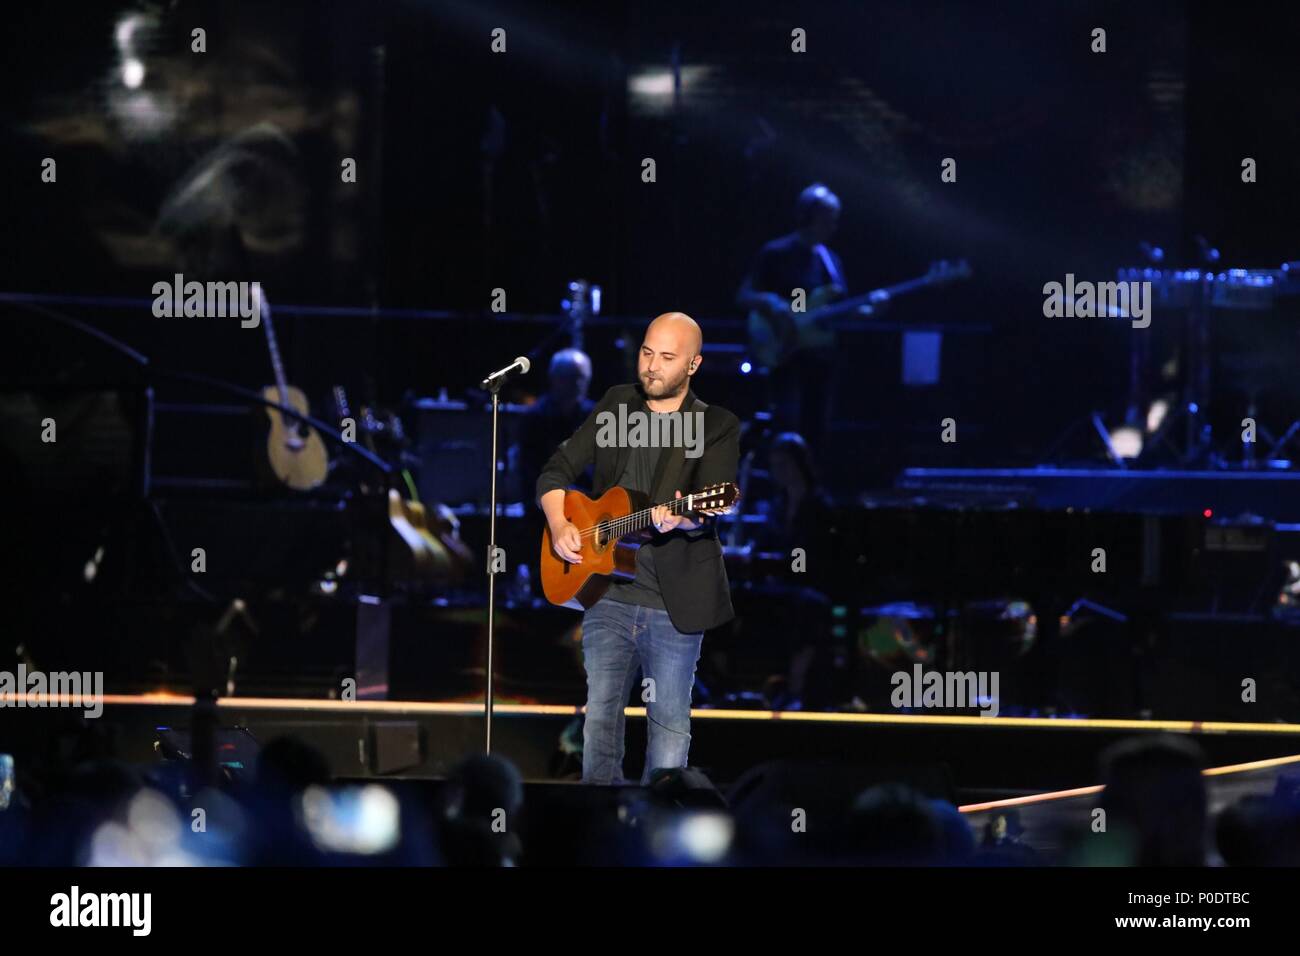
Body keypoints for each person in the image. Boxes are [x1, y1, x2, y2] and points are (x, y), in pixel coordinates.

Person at [536, 313, 740, 785]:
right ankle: (600, 835)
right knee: (599, 723)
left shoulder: (716, 425)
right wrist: (560, 521)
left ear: (693, 365)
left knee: (669, 732)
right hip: (606, 593)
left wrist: (683, 517)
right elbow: (556, 470)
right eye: (647, 352)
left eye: (667, 358)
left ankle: (660, 844)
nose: (651, 366)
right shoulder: (616, 403)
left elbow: (712, 498)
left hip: (673, 602)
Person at [737, 183, 882, 461]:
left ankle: (810, 491)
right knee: (786, 423)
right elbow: (744, 295)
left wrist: (869, 311)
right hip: (784, 354)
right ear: (806, 216)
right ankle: (780, 491)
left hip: (820, 357)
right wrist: (771, 303)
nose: (833, 225)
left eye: (834, 218)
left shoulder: (830, 260)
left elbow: (839, 310)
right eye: (827, 217)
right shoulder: (776, 253)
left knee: (817, 427)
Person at [517, 348, 595, 499]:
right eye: (572, 378)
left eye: (583, 378)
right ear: (555, 379)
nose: (578, 384)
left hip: (589, 504)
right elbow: (530, 470)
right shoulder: (536, 417)